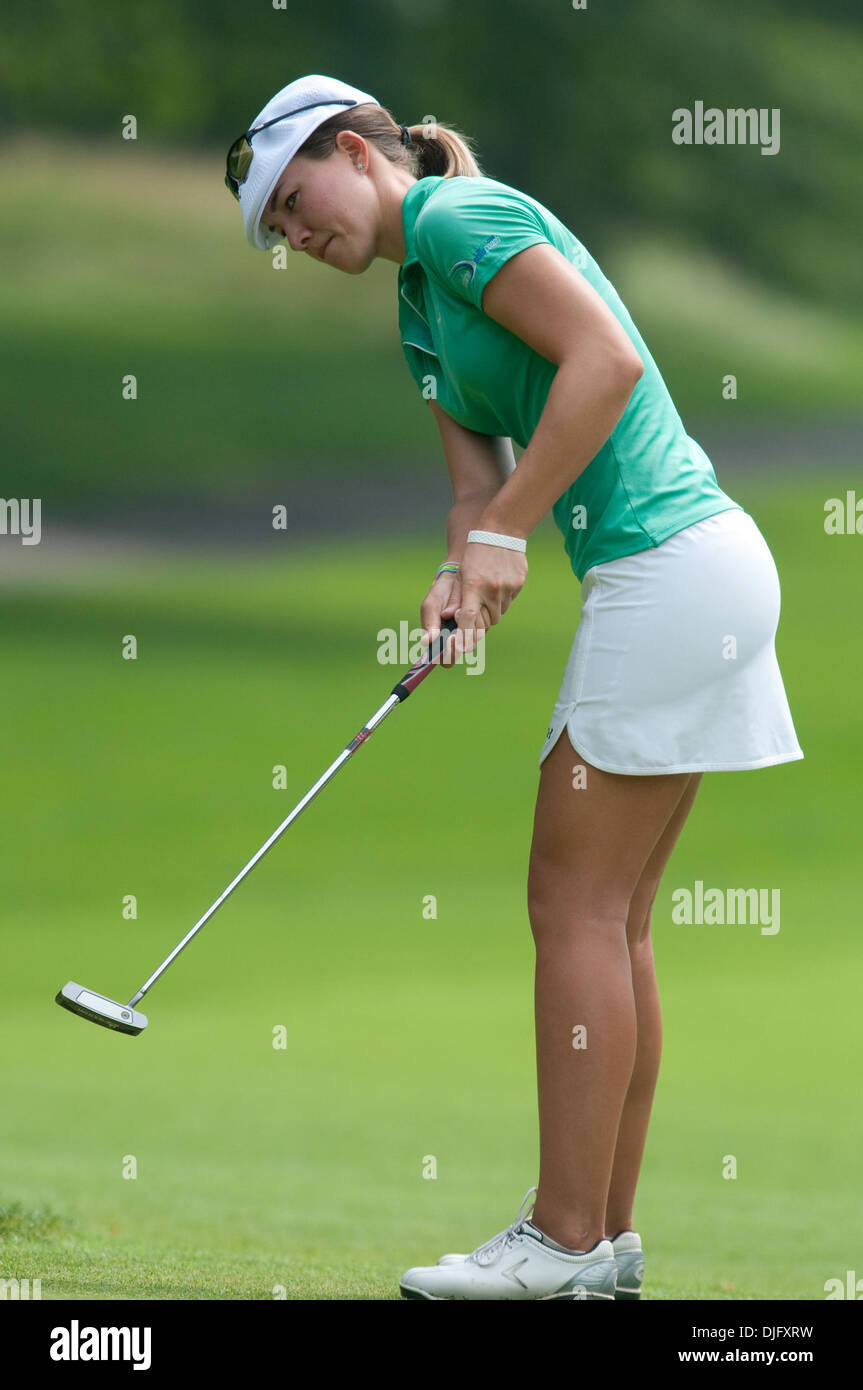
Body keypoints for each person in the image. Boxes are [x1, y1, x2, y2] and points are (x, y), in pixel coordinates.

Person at [226, 74, 804, 1302]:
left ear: (350, 148)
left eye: (292, 200)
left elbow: (606, 360)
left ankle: (555, 1240)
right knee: (617, 918)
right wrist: (461, 563)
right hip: (688, 575)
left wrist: (511, 536)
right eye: (275, 232)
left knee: (571, 906)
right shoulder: (418, 304)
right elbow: (469, 488)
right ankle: (600, 1247)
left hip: (669, 564)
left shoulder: (454, 219)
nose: (294, 235)